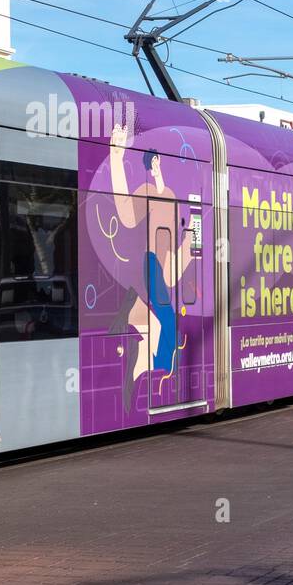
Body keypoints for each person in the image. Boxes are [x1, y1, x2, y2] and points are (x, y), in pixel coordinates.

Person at [105, 124, 196, 411]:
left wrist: (194, 237)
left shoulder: (170, 194)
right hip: (150, 262)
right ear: (148, 165)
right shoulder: (144, 190)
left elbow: (177, 248)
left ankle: (153, 376)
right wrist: (116, 159)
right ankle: (157, 377)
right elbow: (126, 214)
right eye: (153, 161)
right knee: (166, 322)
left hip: (163, 265)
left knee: (165, 325)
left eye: (158, 160)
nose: (157, 164)